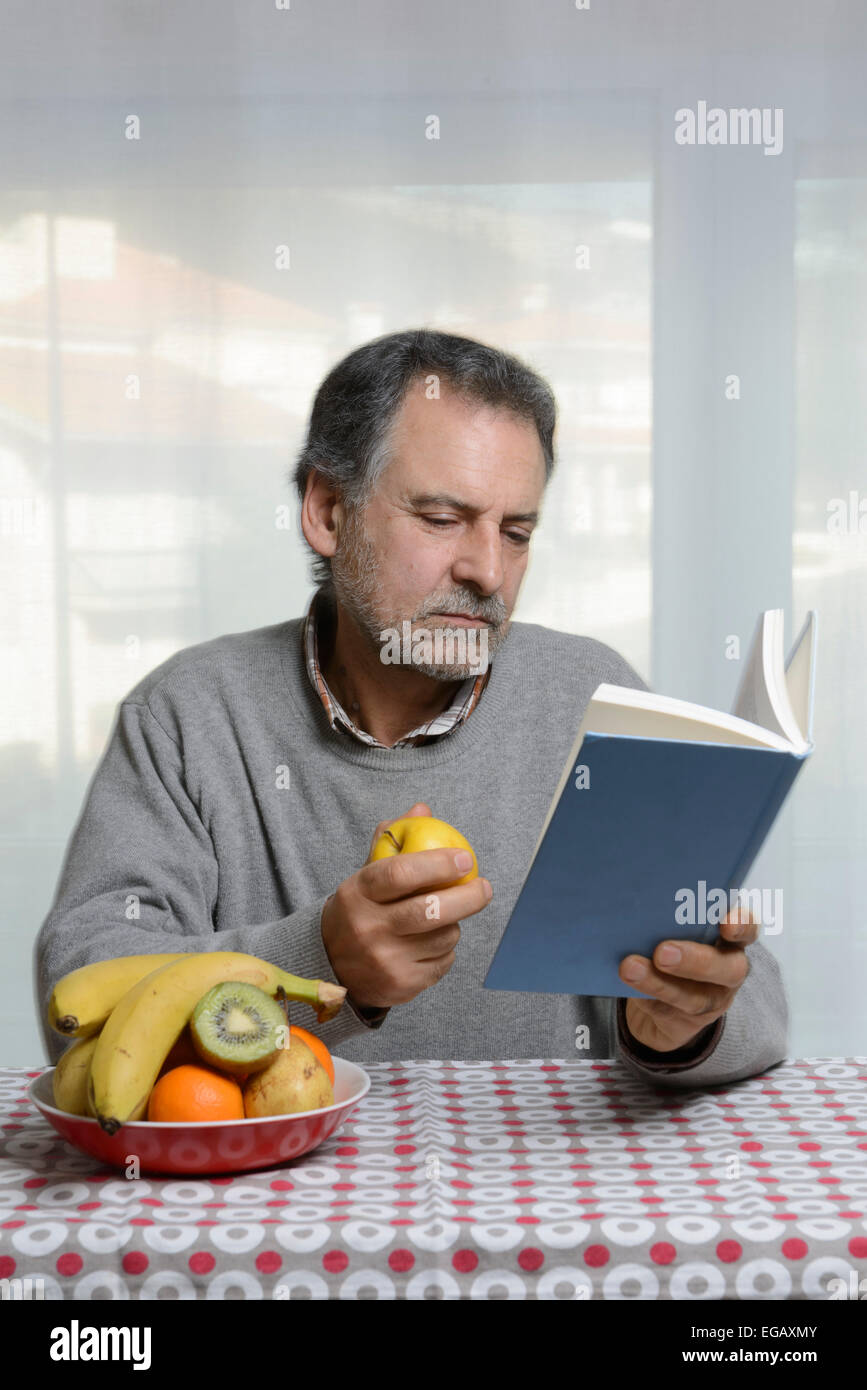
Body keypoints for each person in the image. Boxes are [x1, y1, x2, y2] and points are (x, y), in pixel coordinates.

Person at [35, 329, 788, 1084]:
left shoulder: (591, 697)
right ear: (328, 512)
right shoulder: (188, 713)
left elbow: (756, 1009)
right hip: (270, 1186)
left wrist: (677, 1027)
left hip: (546, 1185)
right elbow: (83, 994)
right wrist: (318, 962)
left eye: (516, 531)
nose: (487, 571)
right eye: (440, 519)